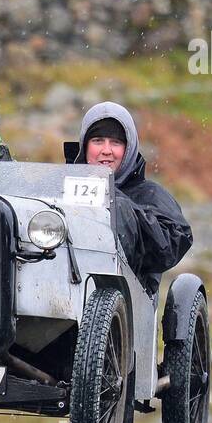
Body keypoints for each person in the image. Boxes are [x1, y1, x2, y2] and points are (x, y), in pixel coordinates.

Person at [66, 101, 192, 296]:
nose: (106, 150)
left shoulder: (150, 194)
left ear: (128, 148)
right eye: (98, 140)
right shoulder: (62, 187)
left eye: (116, 142)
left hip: (127, 300)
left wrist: (113, 199)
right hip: (62, 286)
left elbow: (173, 244)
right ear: (85, 145)